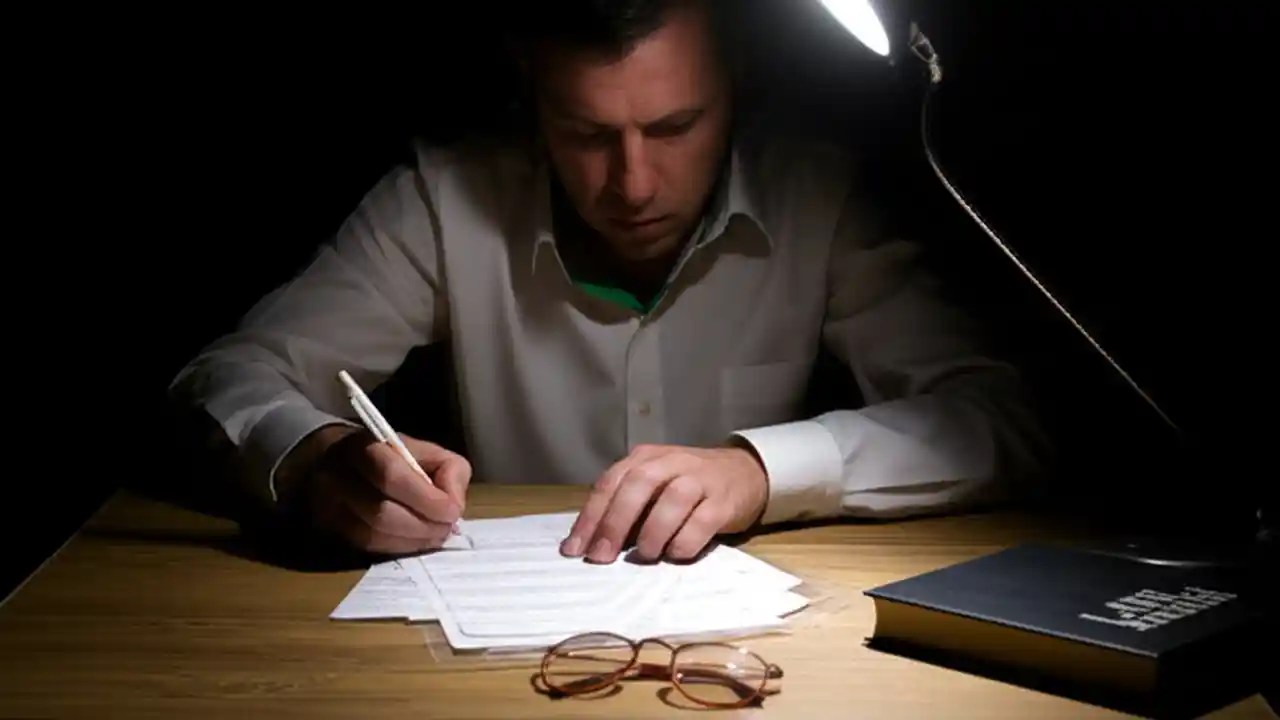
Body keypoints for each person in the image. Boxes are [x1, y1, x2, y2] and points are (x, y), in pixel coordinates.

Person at [169, 0, 1049, 565]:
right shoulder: (445, 200)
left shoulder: (817, 196)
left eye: (674, 127)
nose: (632, 185)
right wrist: (318, 460)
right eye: (586, 134)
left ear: (734, 84)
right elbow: (225, 378)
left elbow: (995, 416)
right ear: (530, 91)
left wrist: (762, 470)